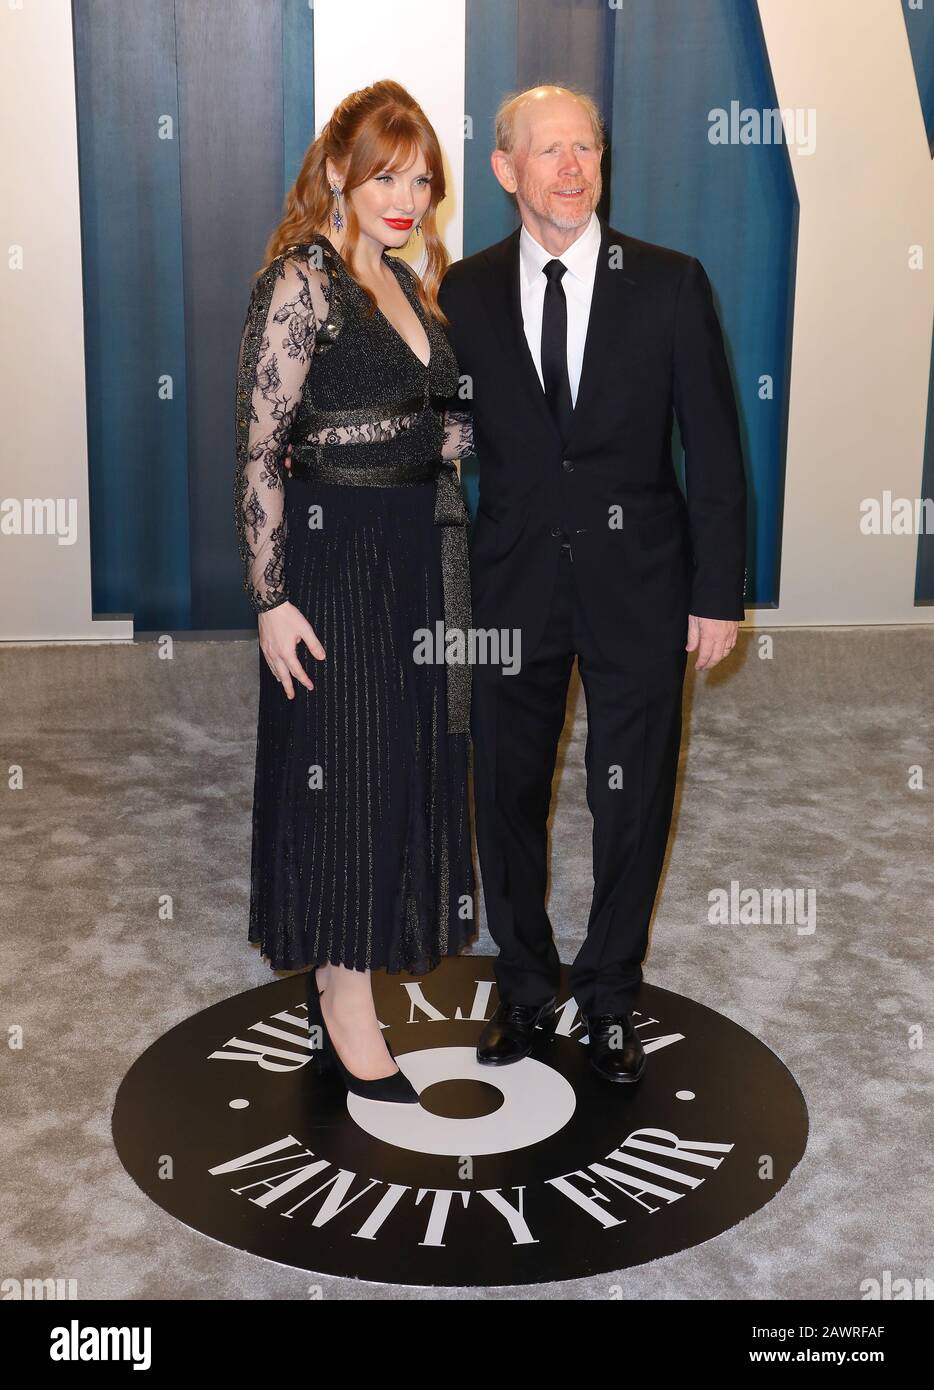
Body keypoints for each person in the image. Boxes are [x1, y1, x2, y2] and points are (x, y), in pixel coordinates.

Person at [437, 85, 747, 1084]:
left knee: (632, 796)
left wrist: (717, 592)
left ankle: (611, 993)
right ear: (504, 168)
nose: (570, 168)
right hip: (508, 589)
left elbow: (714, 448)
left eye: (585, 149)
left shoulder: (668, 284)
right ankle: (525, 984)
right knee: (507, 794)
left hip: (643, 587)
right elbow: (439, 446)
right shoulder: (464, 294)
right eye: (548, 150)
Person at [234, 79, 475, 1104]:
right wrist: (270, 596)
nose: (405, 195)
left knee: (406, 765)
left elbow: (448, 430)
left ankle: (363, 955)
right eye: (386, 174)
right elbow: (257, 449)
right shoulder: (306, 281)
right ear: (339, 170)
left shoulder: (419, 288)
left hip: (424, 558)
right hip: (335, 565)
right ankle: (342, 994)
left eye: (420, 179)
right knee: (347, 774)